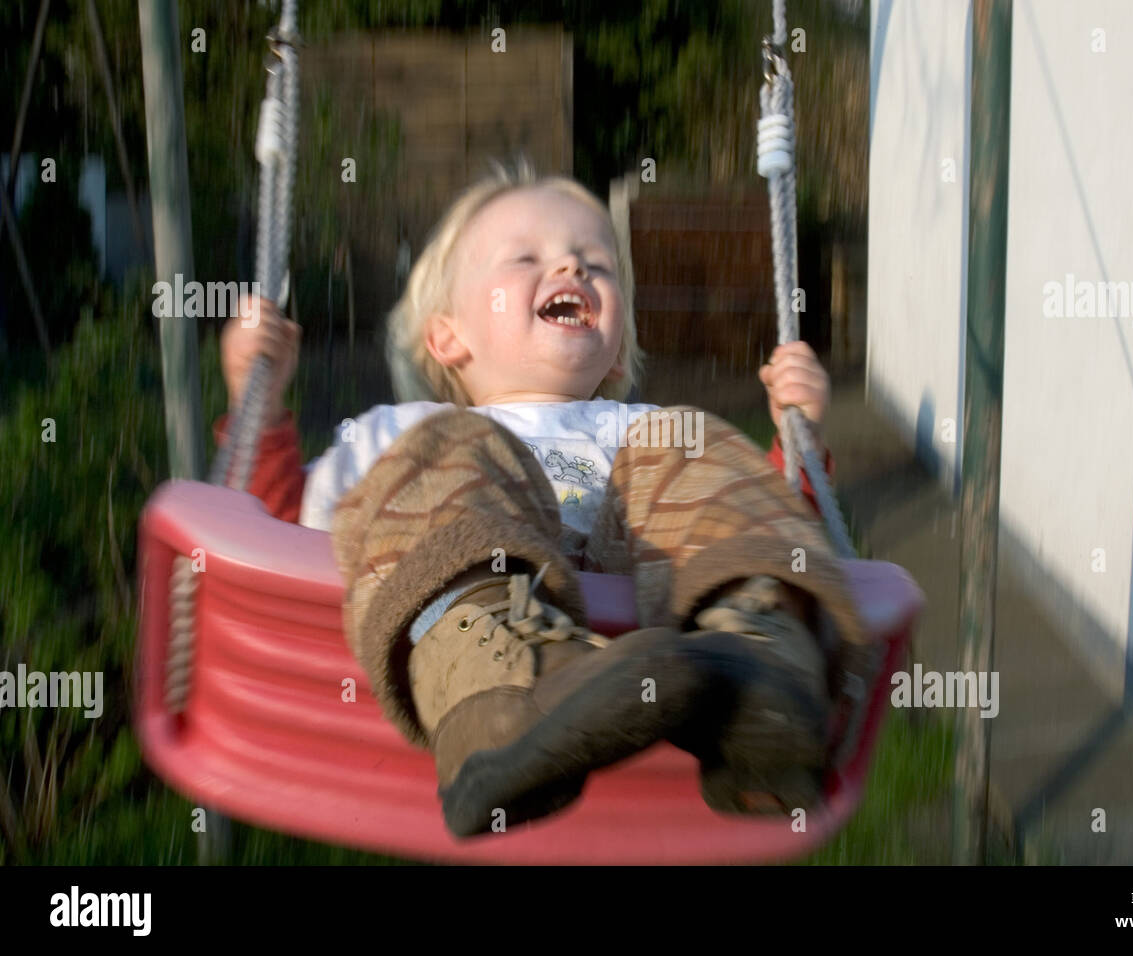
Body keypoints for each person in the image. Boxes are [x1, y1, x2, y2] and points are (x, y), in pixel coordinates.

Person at [216, 163, 876, 838]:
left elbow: (757, 524)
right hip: (468, 659)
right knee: (443, 447)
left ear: (617, 353)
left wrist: (797, 447)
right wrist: (257, 404)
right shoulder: (403, 434)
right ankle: (501, 696)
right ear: (448, 337)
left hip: (668, 661)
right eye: (526, 257)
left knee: (695, 439)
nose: (572, 267)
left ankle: (758, 671)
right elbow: (271, 537)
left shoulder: (648, 436)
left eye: (597, 262)